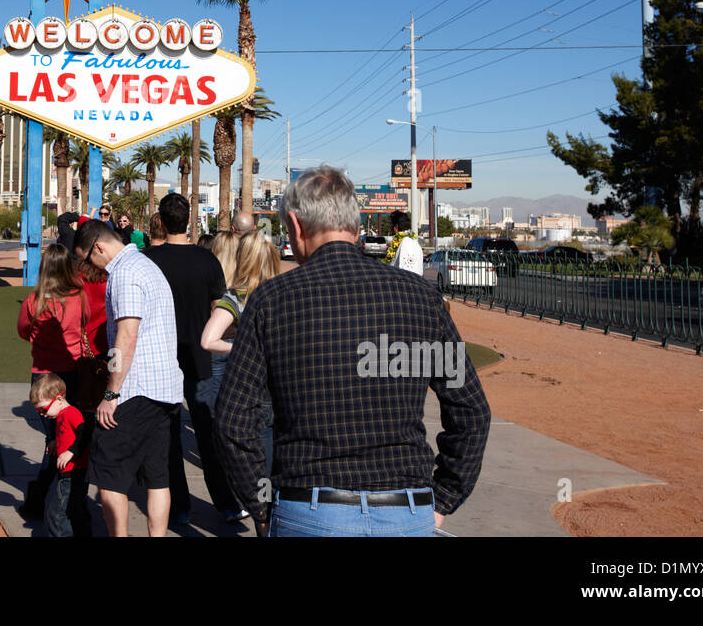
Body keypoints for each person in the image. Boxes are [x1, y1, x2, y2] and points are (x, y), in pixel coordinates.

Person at [215, 167, 491, 537]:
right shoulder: (422, 298)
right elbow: (471, 410)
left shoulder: (271, 300)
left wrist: (259, 504)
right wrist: (442, 499)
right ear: (356, 225)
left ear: (296, 226)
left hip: (307, 509)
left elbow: (233, 419)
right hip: (404, 511)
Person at [72, 218, 182, 537]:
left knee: (108, 478)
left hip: (135, 390)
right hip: (164, 388)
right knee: (158, 477)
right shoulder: (145, 264)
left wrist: (111, 394)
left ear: (99, 247)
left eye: (87, 258)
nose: (90, 266)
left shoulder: (125, 272)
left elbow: (127, 334)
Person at [144, 193, 244, 525]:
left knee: (169, 436)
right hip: (201, 359)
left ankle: (180, 507)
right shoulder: (207, 261)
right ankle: (227, 504)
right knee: (208, 433)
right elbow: (220, 312)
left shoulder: (148, 260)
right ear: (188, 219)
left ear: (160, 219)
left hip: (161, 361)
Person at [16, 243, 104, 524]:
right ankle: (64, 500)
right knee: (69, 437)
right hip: (72, 372)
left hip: (43, 374)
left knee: (55, 440)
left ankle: (45, 499)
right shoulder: (77, 296)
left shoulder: (35, 300)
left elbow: (22, 330)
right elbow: (86, 323)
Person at [201, 230, 277, 476]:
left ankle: (263, 508)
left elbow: (208, 340)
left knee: (261, 453)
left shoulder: (237, 296)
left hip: (256, 388)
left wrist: (241, 347)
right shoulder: (288, 289)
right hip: (289, 385)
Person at [29, 373, 93, 537]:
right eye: (39, 412)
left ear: (58, 399)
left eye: (43, 409)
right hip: (70, 473)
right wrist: (55, 443)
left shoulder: (71, 413)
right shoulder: (61, 415)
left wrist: (71, 452)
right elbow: (67, 436)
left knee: (56, 515)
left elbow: (85, 433)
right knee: (74, 509)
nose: (42, 414)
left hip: (74, 474)